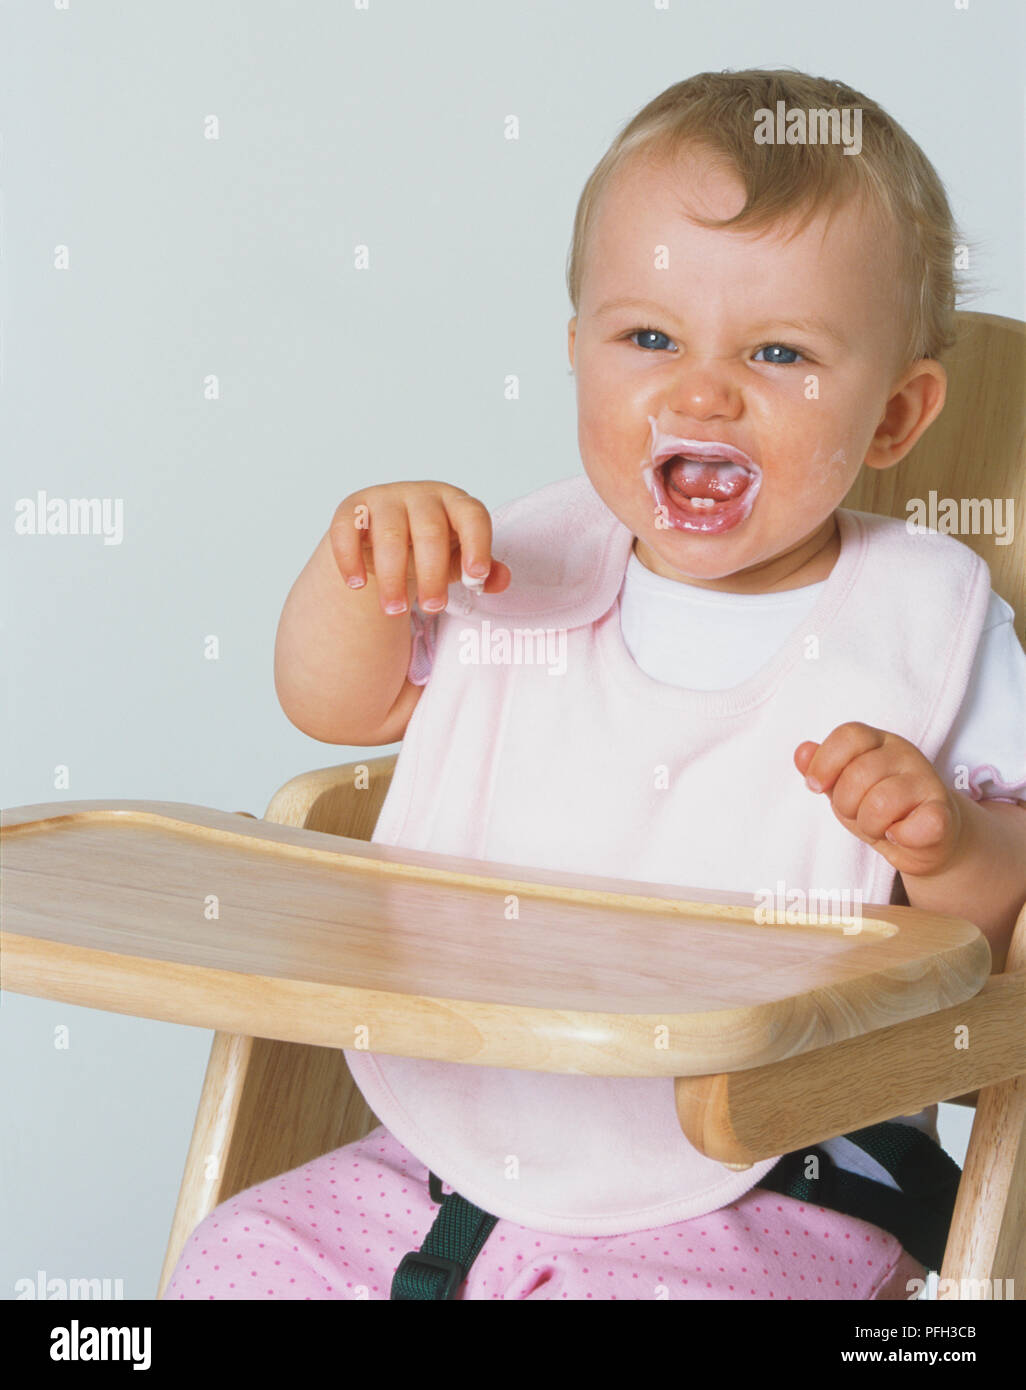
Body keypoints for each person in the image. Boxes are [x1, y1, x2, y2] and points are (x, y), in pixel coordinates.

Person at [164, 68, 1026, 1301]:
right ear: (576, 353)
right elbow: (338, 710)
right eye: (649, 338)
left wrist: (945, 845)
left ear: (896, 415)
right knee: (236, 1262)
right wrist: (361, 557)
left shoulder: (924, 623)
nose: (702, 390)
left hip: (773, 1175)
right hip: (448, 1150)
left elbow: (1010, 921)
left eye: (778, 352)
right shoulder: (525, 562)